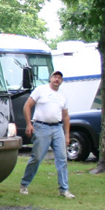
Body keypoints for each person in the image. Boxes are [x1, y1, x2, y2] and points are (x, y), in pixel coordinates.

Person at [20, 70, 75, 198]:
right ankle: (24, 184)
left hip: (57, 128)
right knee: (37, 157)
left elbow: (66, 116)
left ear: (61, 81)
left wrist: (67, 135)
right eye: (55, 77)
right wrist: (29, 124)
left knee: (62, 158)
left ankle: (64, 189)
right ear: (50, 78)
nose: (57, 79)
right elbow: (27, 106)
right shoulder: (41, 90)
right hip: (41, 126)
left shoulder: (63, 96)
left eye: (60, 78)